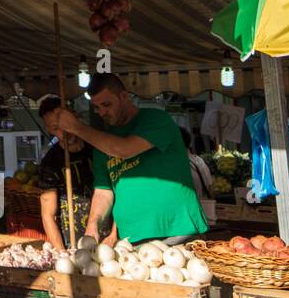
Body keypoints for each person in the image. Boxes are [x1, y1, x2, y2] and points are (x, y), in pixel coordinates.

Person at [51, 74, 208, 246]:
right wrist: (92, 226)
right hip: (132, 240)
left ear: (124, 96)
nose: (102, 112)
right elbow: (104, 191)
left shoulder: (156, 119)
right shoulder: (103, 143)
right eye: (96, 107)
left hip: (177, 231)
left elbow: (124, 150)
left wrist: (77, 128)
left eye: (107, 104)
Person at [36, 96, 111, 250]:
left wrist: (114, 235)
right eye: (56, 127)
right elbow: (48, 215)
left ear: (75, 118)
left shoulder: (99, 148)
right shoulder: (50, 163)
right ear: (49, 129)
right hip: (72, 243)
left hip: (108, 239)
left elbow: (118, 192)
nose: (63, 131)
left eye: (65, 124)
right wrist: (61, 252)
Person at [181, 127, 218, 226]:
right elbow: (210, 188)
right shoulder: (199, 161)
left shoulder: (178, 164)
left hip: (190, 218)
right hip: (204, 215)